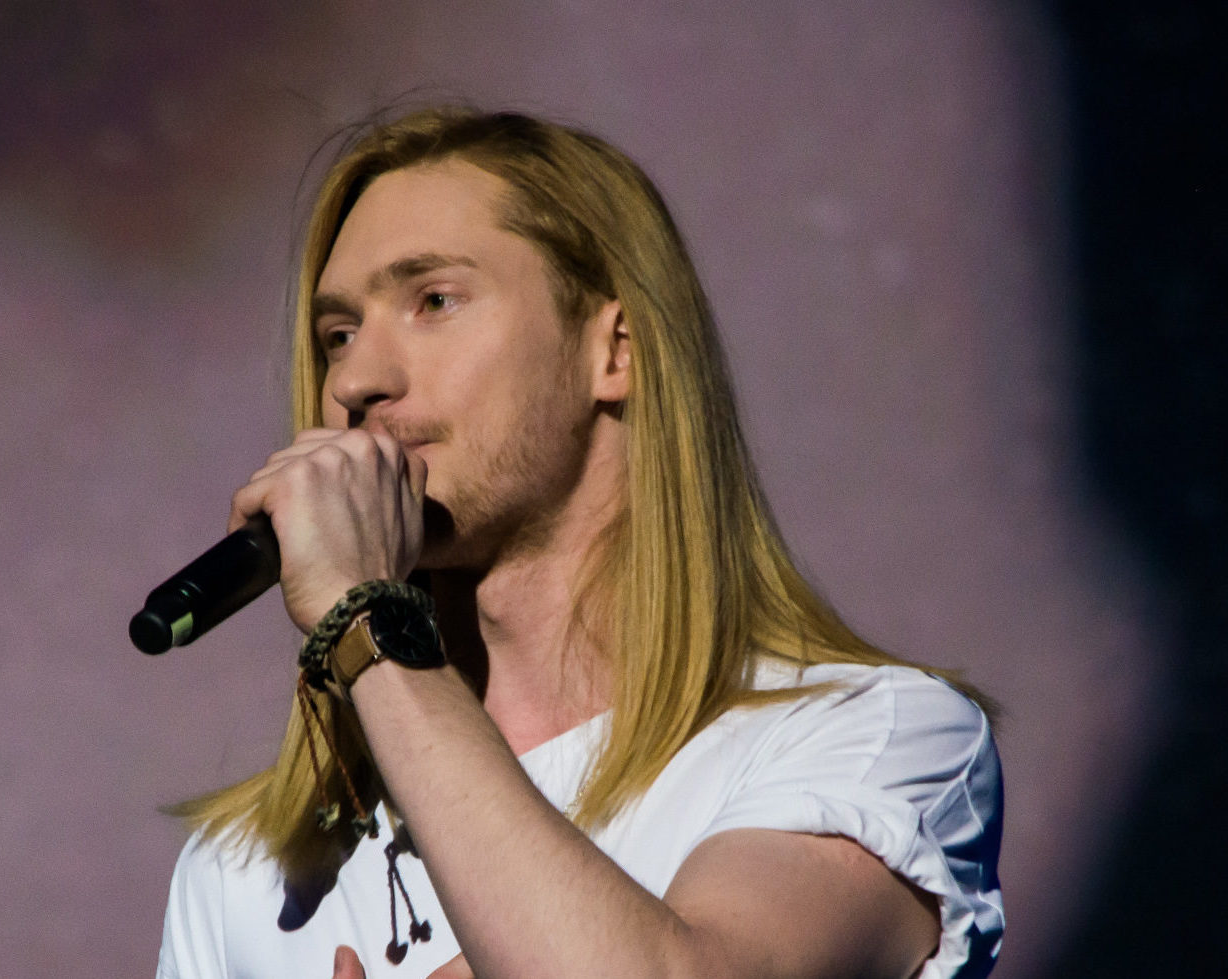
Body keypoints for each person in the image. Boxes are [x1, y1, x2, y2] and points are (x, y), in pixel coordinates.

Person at [155, 107, 1003, 978]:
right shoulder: (248, 871)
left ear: (614, 350)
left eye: (434, 301)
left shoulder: (868, 735)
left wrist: (363, 615)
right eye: (339, 335)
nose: (358, 380)